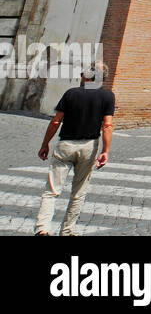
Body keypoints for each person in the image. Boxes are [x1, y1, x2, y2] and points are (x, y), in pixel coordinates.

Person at [35, 62, 114, 236]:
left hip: (66, 145)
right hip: (89, 146)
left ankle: (42, 229)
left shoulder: (71, 93)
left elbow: (56, 121)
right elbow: (107, 125)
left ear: (86, 76)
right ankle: (68, 231)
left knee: (52, 190)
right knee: (78, 192)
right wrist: (105, 151)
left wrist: (45, 143)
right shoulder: (108, 96)